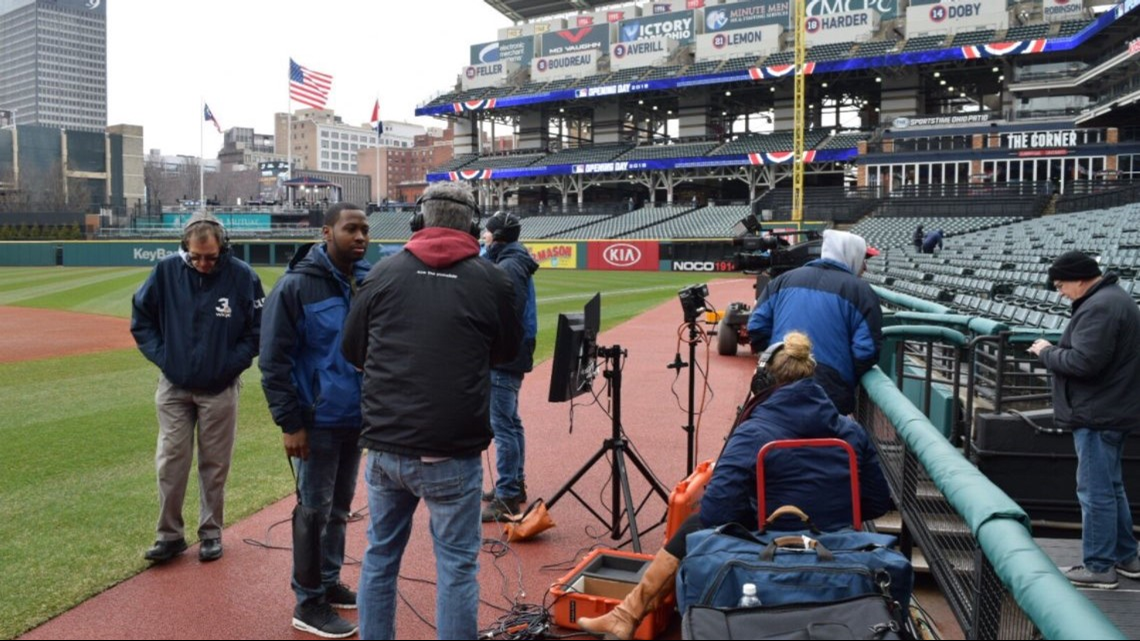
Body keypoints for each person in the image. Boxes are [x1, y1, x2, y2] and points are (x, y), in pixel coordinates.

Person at [577, 331, 893, 640]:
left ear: (764, 382)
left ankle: (628, 615)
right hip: (837, 539)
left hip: (771, 540)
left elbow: (716, 511)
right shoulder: (851, 431)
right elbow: (878, 502)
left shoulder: (753, 433)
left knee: (695, 524)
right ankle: (626, 616)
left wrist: (758, 510)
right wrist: (828, 512)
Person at [343, 182, 522, 640]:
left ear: (418, 221)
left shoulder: (383, 273)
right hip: (451, 454)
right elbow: (505, 353)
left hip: (385, 447)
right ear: (474, 226)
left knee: (380, 556)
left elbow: (352, 350)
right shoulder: (494, 279)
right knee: (457, 568)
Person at [260, 203, 371, 638]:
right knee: (313, 510)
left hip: (355, 418)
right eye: (351, 229)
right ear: (327, 232)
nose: (360, 237)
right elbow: (273, 362)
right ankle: (307, 602)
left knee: (340, 509)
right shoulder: (294, 287)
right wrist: (290, 423)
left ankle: (327, 581)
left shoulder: (366, 280)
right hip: (316, 419)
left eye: (365, 229)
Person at [130, 212, 264, 563]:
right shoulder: (166, 273)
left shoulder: (242, 277)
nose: (203, 263)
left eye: (211, 257)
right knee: (170, 461)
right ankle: (169, 535)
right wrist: (165, 358)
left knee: (214, 464)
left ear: (225, 249)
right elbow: (141, 319)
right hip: (174, 386)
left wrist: (229, 365)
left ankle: (211, 533)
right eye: (196, 256)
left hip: (219, 388)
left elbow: (258, 330)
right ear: (184, 249)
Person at [1028, 251, 1140, 589]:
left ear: (1080, 279)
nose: (1060, 292)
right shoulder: (1113, 299)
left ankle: (1100, 566)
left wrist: (1046, 352)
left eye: (1062, 285)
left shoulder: (1102, 306)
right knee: (1111, 487)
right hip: (1110, 408)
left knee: (1095, 492)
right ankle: (1126, 557)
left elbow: (1083, 363)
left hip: (1099, 412)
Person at [746, 229, 883, 415]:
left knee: (776, 437)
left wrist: (778, 359)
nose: (864, 267)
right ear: (850, 255)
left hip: (780, 379)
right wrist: (843, 375)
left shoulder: (782, 280)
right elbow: (866, 352)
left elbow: (756, 327)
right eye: (863, 258)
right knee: (825, 442)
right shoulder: (862, 291)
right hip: (830, 390)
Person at [479, 212, 540, 522]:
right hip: (514, 351)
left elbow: (506, 314)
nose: (484, 236)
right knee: (510, 423)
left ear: (498, 236)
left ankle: (506, 497)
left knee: (503, 426)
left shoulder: (509, 265)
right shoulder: (513, 259)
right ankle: (512, 485)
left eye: (488, 233)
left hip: (505, 354)